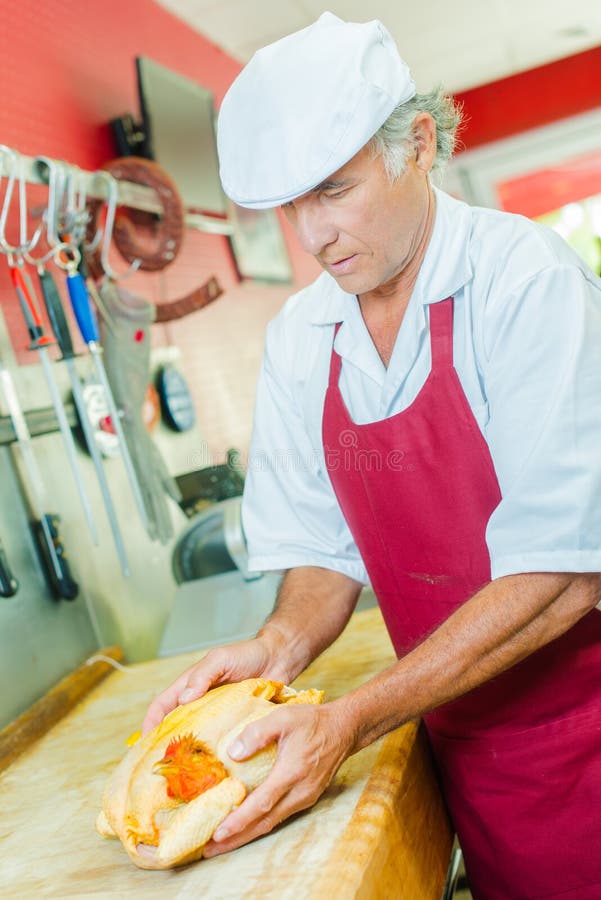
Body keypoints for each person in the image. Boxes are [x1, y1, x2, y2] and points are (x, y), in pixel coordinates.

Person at [143, 13, 601, 898]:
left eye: (333, 190)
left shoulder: (525, 283)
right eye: (288, 206)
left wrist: (352, 718)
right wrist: (276, 648)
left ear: (418, 143)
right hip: (458, 740)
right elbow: (319, 553)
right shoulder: (300, 336)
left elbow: (565, 571)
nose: (311, 236)